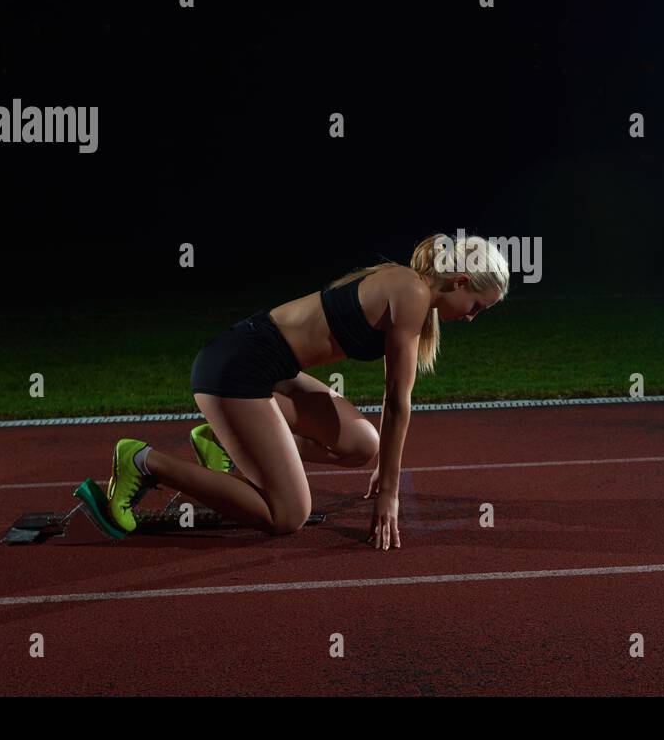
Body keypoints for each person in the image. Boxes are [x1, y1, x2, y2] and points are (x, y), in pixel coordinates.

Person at [104, 233, 510, 550]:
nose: (472, 317)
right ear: (459, 281)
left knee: (360, 443)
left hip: (273, 372)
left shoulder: (412, 289)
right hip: (235, 371)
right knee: (287, 515)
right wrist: (389, 493)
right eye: (477, 306)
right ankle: (143, 462)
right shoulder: (411, 291)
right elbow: (397, 401)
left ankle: (225, 445)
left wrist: (385, 471)